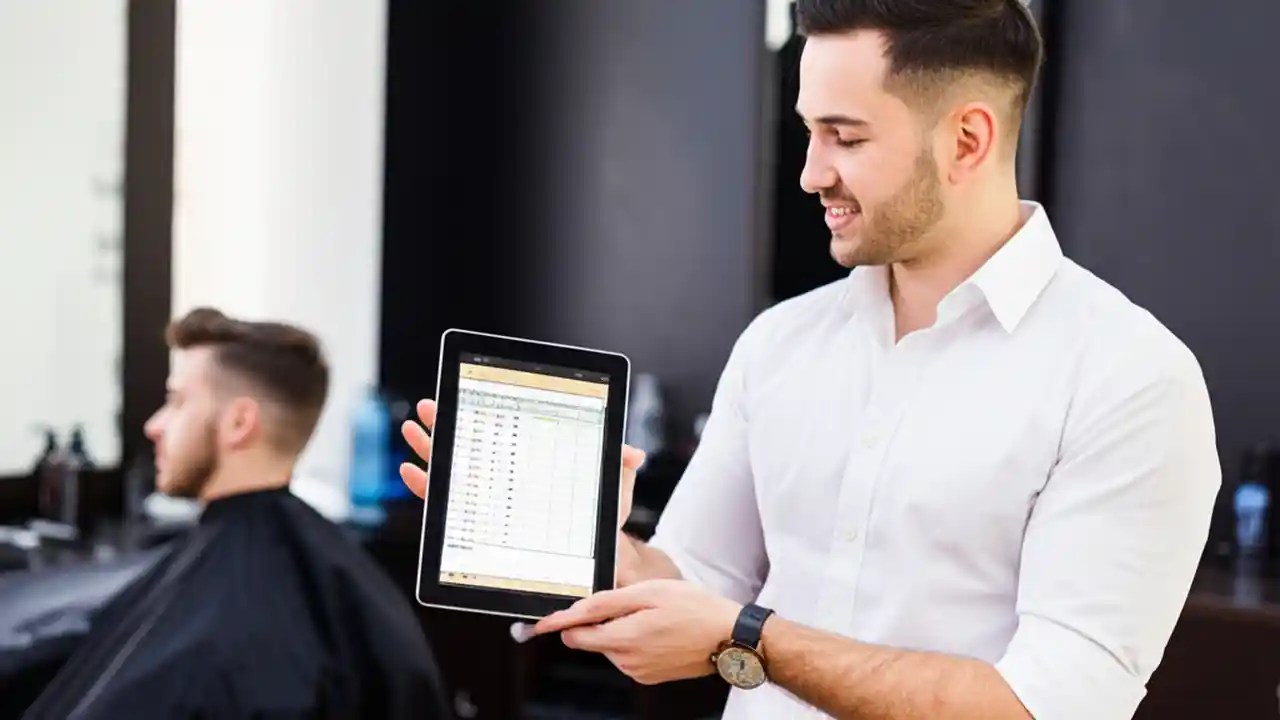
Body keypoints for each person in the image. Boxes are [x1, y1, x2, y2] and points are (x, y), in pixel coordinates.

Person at [401, 1, 1221, 718]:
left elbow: (1045, 708)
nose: (810, 172)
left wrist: (751, 639)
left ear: (967, 140)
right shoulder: (781, 344)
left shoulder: (1131, 379)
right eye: (808, 130)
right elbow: (692, 584)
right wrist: (590, 547)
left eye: (846, 136)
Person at [25, 308, 451, 720]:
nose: (154, 425)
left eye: (177, 401)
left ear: (239, 423)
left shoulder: (235, 626)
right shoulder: (351, 585)